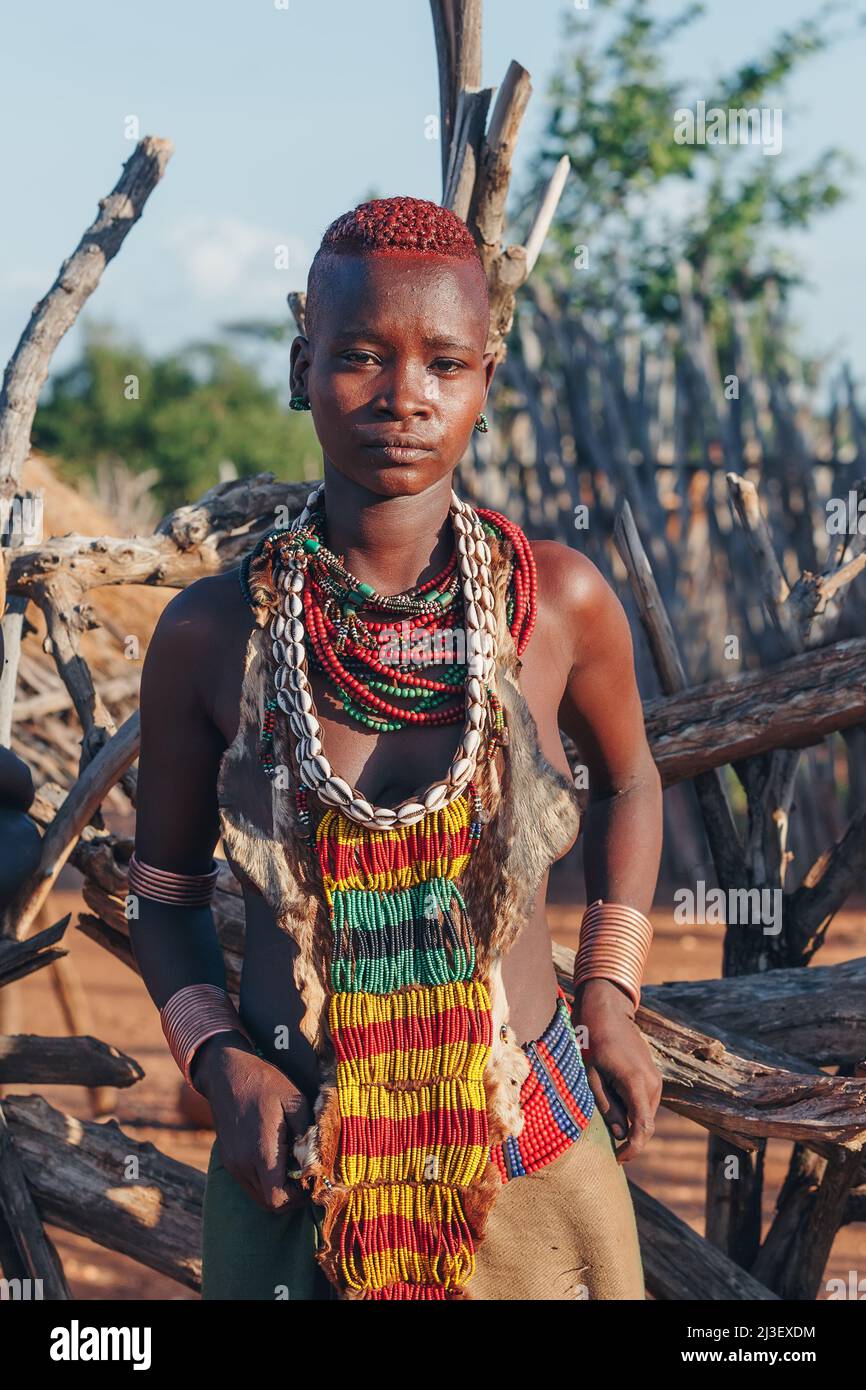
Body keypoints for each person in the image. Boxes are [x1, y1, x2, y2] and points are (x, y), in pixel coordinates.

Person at [130, 196, 663, 1301]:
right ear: (300, 365)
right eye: (361, 356)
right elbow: (166, 892)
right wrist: (222, 1068)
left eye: (444, 362)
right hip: (301, 1162)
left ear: (485, 377)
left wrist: (608, 989)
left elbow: (627, 782)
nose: (403, 396)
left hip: (527, 1154)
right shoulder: (212, 632)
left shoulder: (552, 602)